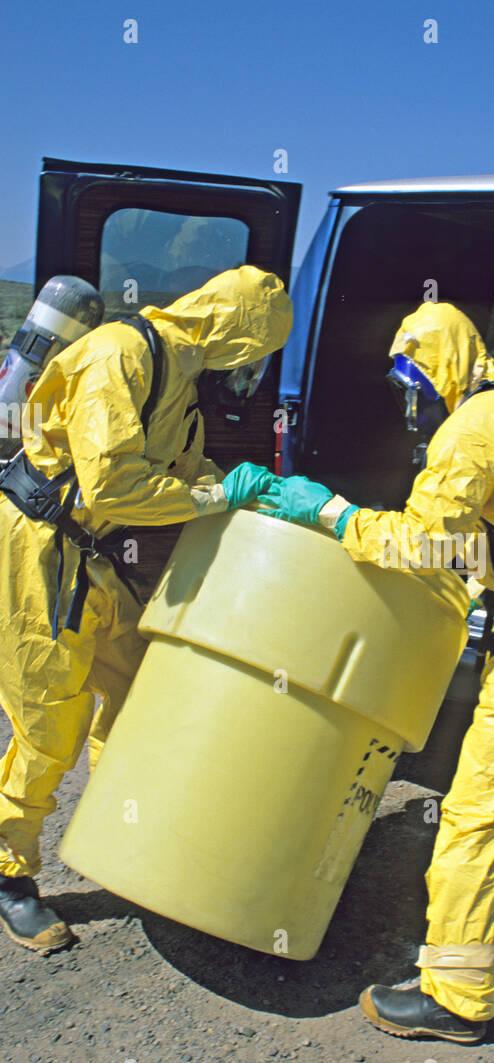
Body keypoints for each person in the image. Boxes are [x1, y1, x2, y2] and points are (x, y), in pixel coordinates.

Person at [253, 301, 494, 1044]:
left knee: (474, 809)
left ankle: (458, 995)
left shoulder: (471, 428)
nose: (409, 396)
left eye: (412, 376)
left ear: (443, 362)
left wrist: (330, 512)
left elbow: (426, 544)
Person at [0, 265, 293, 953]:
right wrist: (220, 499)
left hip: (91, 555)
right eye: (252, 353)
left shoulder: (179, 380)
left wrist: (262, 496)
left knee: (141, 698)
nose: (249, 371)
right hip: (39, 549)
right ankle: (11, 876)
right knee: (49, 724)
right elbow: (111, 485)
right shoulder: (120, 356)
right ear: (231, 330)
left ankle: (122, 844)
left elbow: (183, 474)